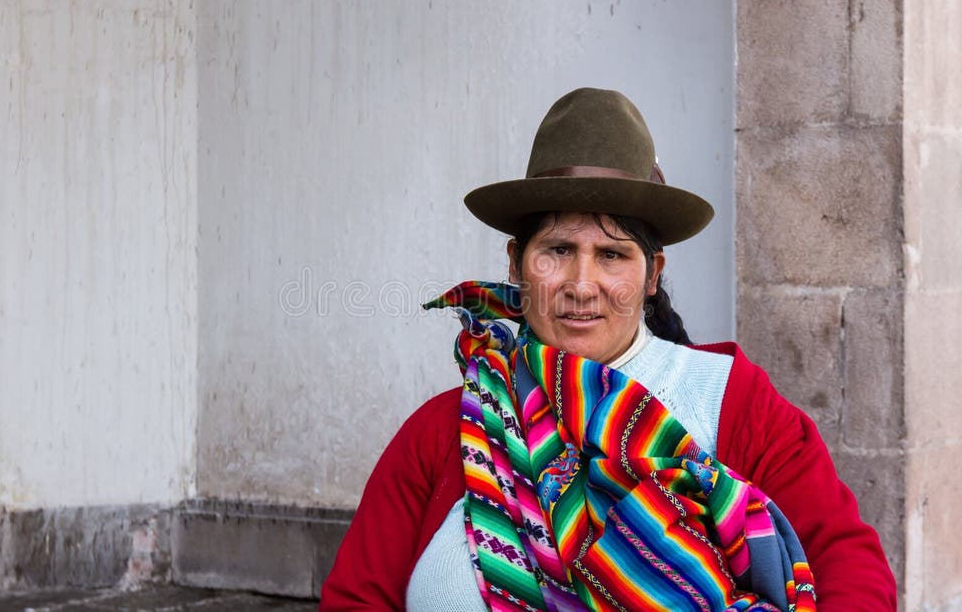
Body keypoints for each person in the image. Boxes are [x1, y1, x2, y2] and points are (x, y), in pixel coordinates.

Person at [321, 88, 896, 610]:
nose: (581, 284)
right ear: (516, 263)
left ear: (653, 274)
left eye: (612, 255)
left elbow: (850, 570)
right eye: (557, 250)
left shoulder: (731, 404)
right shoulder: (444, 434)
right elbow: (357, 598)